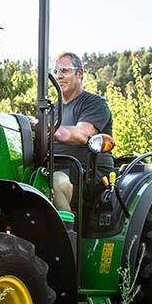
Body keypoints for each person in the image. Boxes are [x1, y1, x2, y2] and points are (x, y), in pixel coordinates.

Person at [48, 52, 113, 213]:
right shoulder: (51, 111)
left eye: (64, 70)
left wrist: (45, 127)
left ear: (80, 73)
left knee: (55, 182)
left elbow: (81, 135)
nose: (59, 76)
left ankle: (65, 235)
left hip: (88, 175)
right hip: (56, 167)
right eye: (56, 71)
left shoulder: (94, 103)